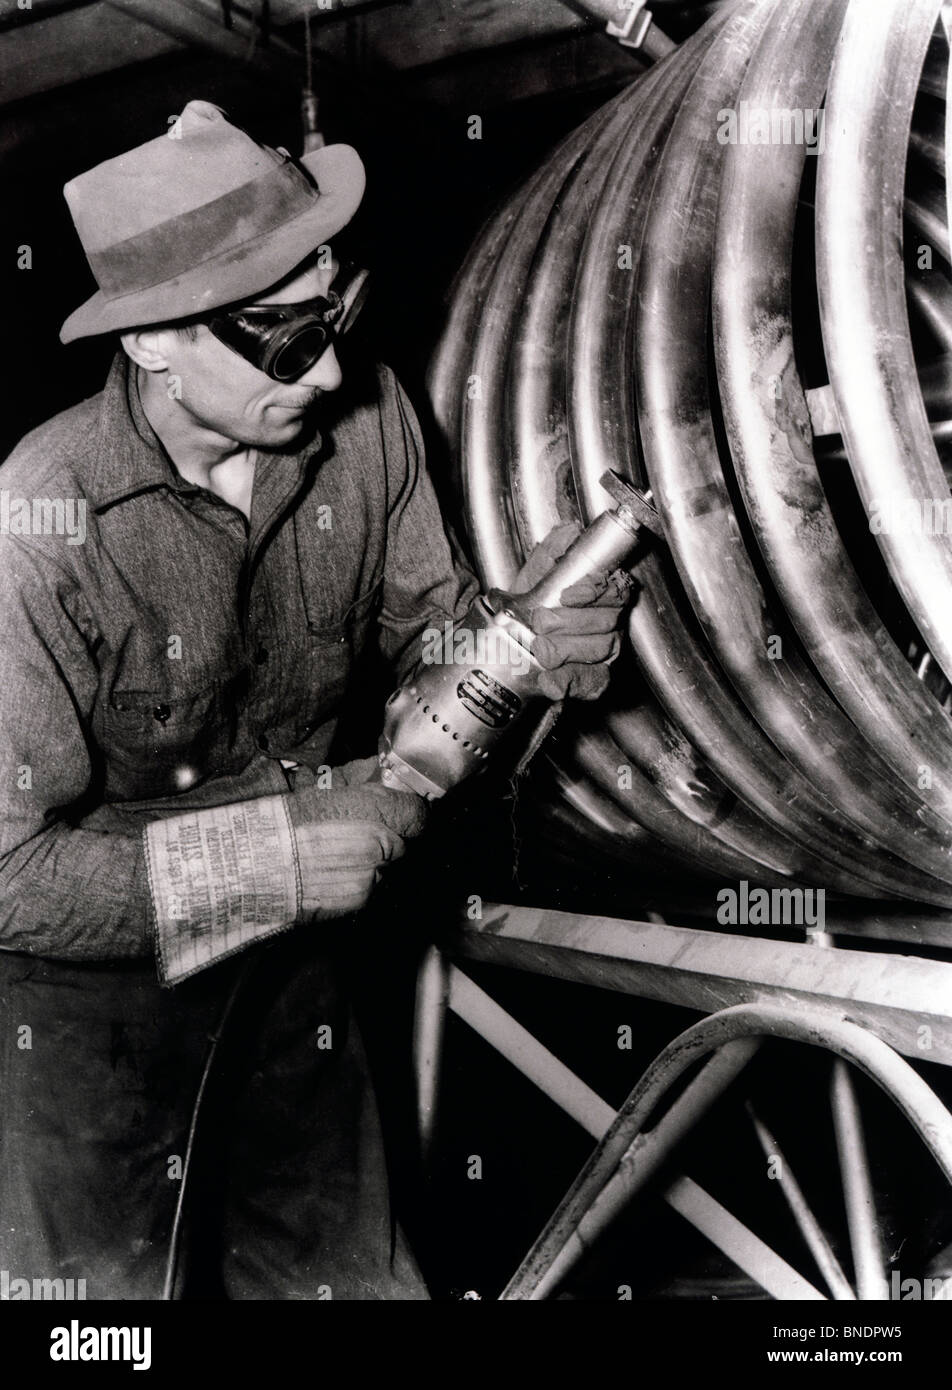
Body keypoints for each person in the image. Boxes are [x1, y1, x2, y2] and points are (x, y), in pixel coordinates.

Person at [0, 100, 627, 1300]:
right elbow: (9, 870)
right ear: (153, 343)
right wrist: (267, 861)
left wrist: (516, 645)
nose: (332, 366)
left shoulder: (367, 420)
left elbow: (422, 637)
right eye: (285, 340)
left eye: (336, 313)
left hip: (297, 986)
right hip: (85, 1019)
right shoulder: (41, 524)